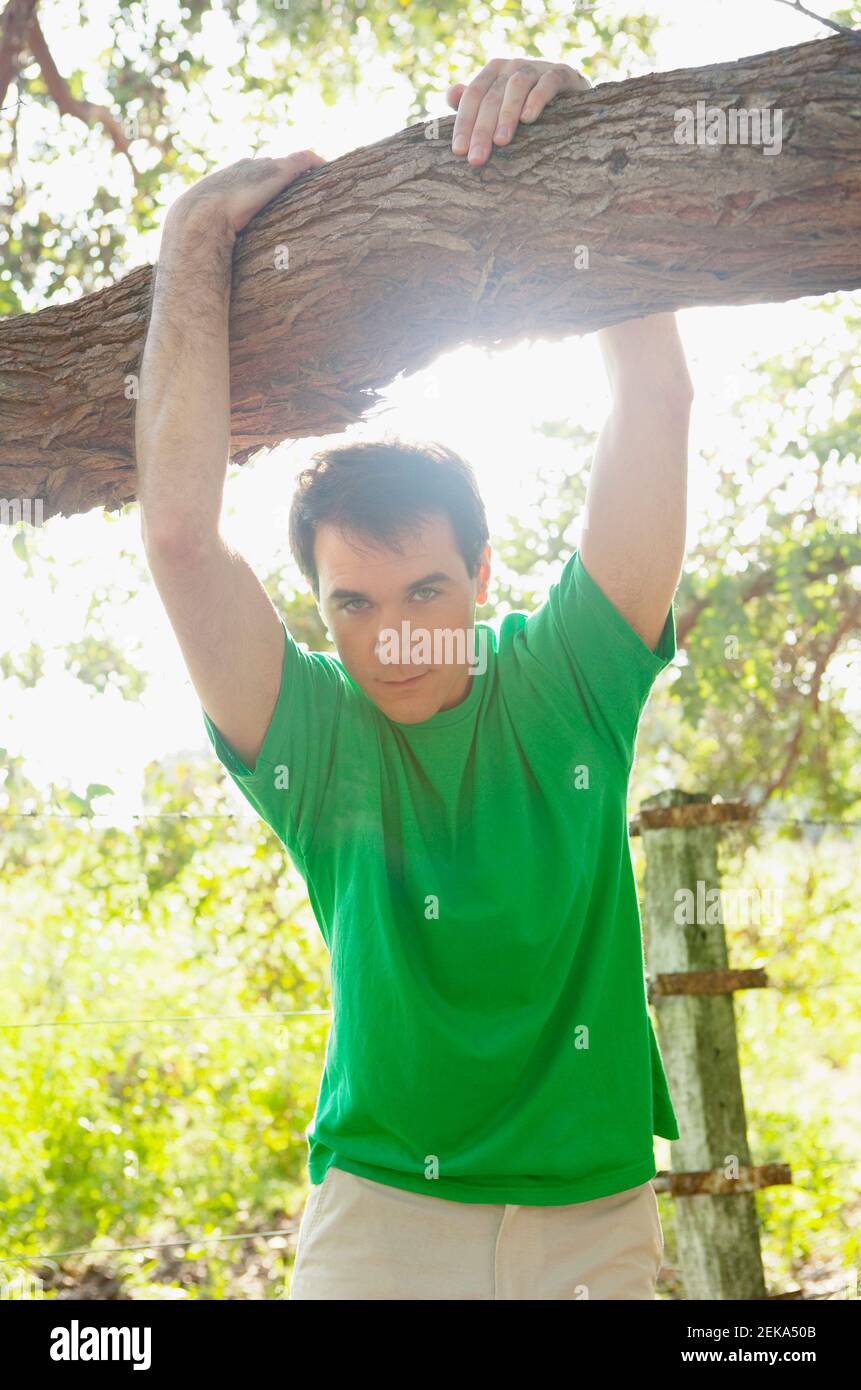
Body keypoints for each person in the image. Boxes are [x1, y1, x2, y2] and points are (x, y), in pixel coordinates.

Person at [136, 56, 693, 1300]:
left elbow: (652, 396)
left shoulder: (567, 683)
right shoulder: (316, 738)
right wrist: (190, 242)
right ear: (320, 609)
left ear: (483, 572)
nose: (390, 642)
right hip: (382, 1224)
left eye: (423, 594)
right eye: (354, 608)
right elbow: (179, 535)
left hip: (591, 1220)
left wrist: (586, 131)